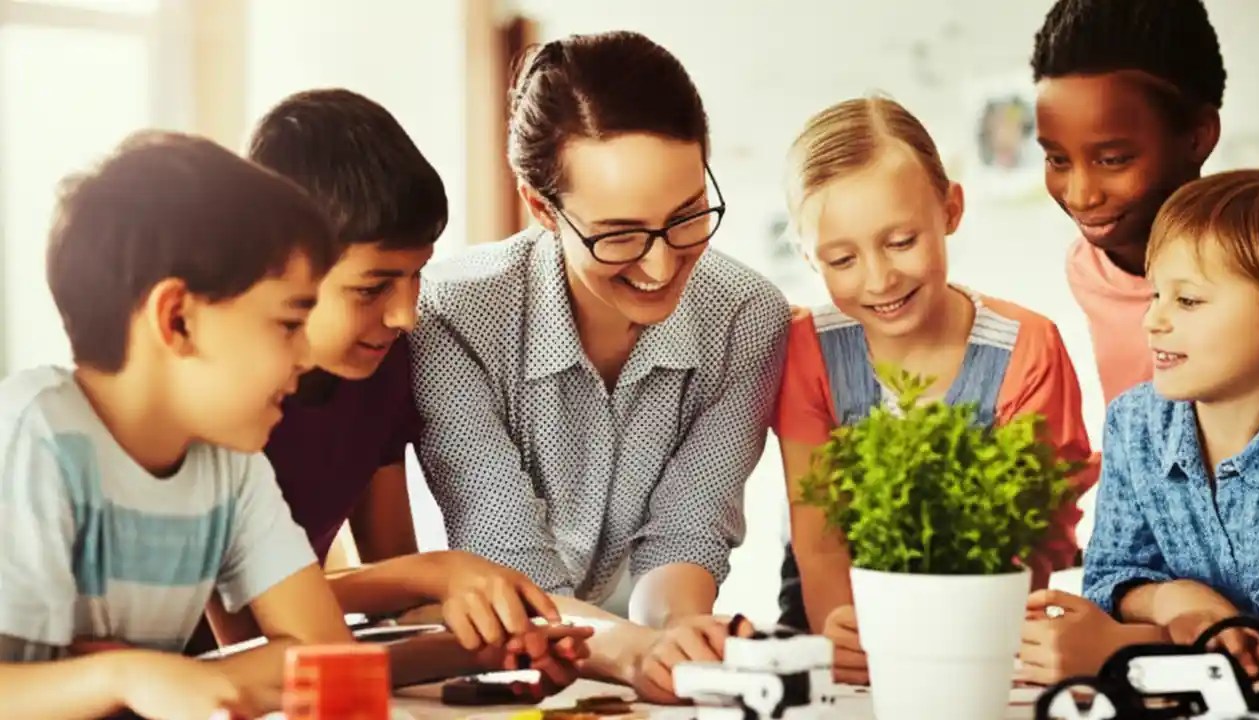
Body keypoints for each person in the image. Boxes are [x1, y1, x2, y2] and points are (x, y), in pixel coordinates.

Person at [409, 31, 790, 702]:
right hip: (492, 670)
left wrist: (680, 638)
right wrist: (630, 653)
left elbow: (687, 531)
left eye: (688, 217)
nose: (660, 265)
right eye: (619, 235)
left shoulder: (747, 315)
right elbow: (510, 567)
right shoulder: (452, 315)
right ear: (540, 208)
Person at [209, 88, 573, 666]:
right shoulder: (218, 402)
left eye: (417, 275)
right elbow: (252, 625)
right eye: (371, 287)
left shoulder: (383, 369)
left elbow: (392, 583)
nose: (405, 315)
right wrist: (433, 573)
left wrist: (482, 640)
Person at [0, 131, 354, 719]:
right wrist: (126, 675)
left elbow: (323, 652)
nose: (307, 357)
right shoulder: (36, 436)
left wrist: (141, 680)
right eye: (288, 324)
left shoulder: (232, 462)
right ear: (177, 320)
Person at [773, 97, 1096, 684]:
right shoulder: (805, 348)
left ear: (951, 209)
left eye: (901, 241)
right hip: (834, 617)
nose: (879, 278)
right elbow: (816, 531)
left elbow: (1035, 538)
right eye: (841, 258)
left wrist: (966, 642)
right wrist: (841, 631)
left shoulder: (1028, 348)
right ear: (806, 255)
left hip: (979, 621)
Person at [1074, 169, 1259, 681]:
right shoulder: (1134, 423)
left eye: (1187, 300)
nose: (1154, 320)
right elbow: (1107, 578)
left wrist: (1141, 639)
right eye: (1154, 295)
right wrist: (1174, 599)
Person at [1032, 0, 1225, 405]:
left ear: (1198, 137)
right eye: (1057, 160)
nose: (1081, 196)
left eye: (1113, 160)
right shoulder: (1088, 269)